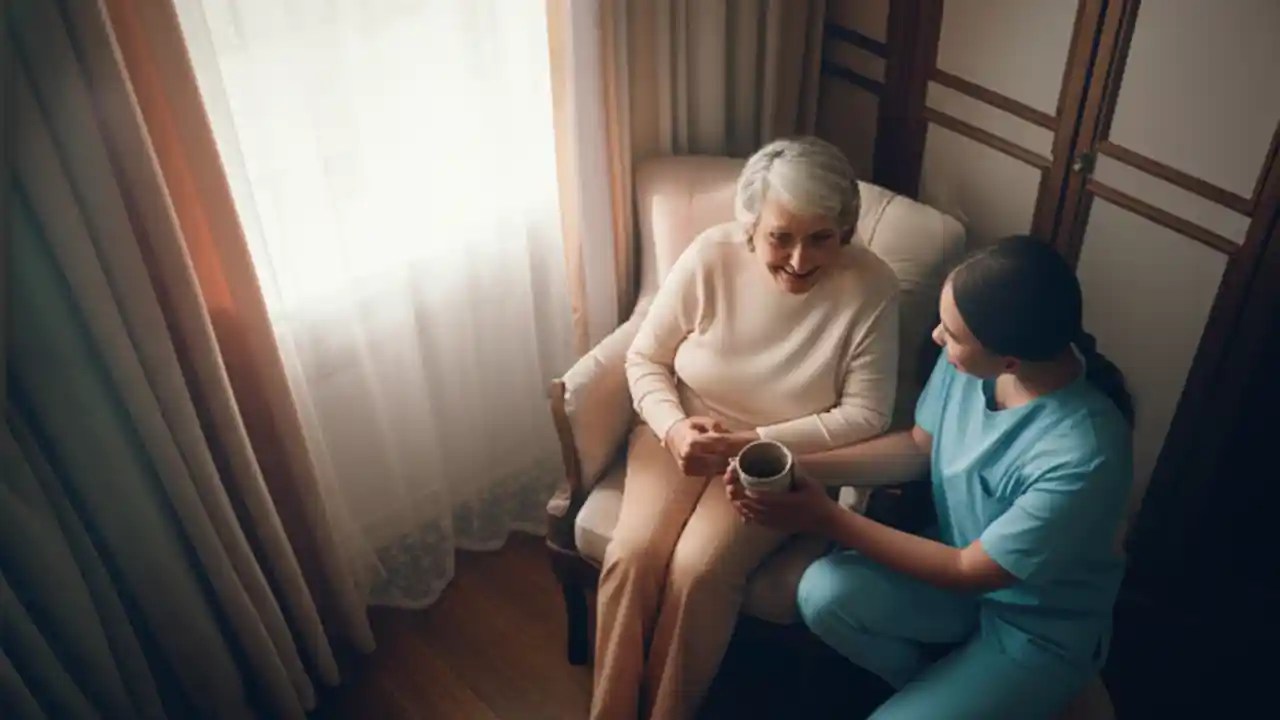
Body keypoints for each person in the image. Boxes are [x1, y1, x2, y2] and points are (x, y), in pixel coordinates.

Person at [729, 235, 1135, 719]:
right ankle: (942, 688)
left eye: (953, 333)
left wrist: (826, 517)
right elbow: (919, 448)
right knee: (822, 593)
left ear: (1010, 360)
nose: (938, 339)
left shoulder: (1083, 453)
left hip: (1035, 624)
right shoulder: (972, 361)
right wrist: (797, 469)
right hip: (953, 572)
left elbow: (969, 570)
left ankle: (1034, 685)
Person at [592, 137, 901, 720]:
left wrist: (756, 441)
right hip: (683, 426)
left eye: (822, 239)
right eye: (781, 237)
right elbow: (646, 359)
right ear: (751, 226)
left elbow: (868, 415)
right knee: (632, 554)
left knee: (698, 571)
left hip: (778, 459)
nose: (800, 260)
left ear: (847, 231)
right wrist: (676, 429)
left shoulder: (873, 288)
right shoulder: (711, 255)